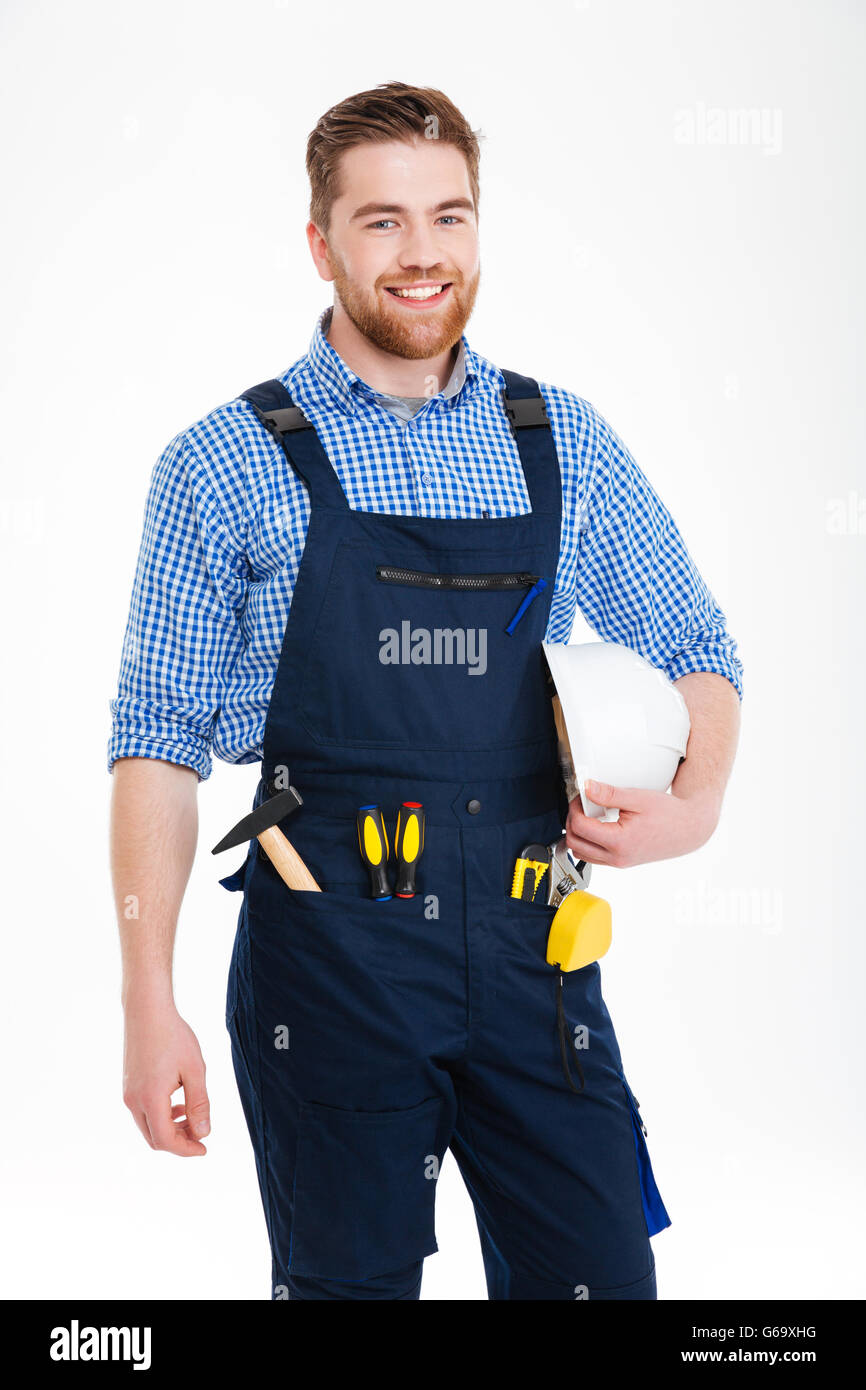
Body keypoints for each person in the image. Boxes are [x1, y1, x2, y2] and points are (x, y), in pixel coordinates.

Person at [109, 81, 742, 1301]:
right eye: (383, 221)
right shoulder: (222, 461)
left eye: (447, 218)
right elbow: (157, 744)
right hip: (329, 970)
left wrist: (697, 802)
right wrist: (150, 1001)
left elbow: (695, 641)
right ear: (321, 242)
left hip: (534, 964)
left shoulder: (561, 438)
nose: (421, 255)